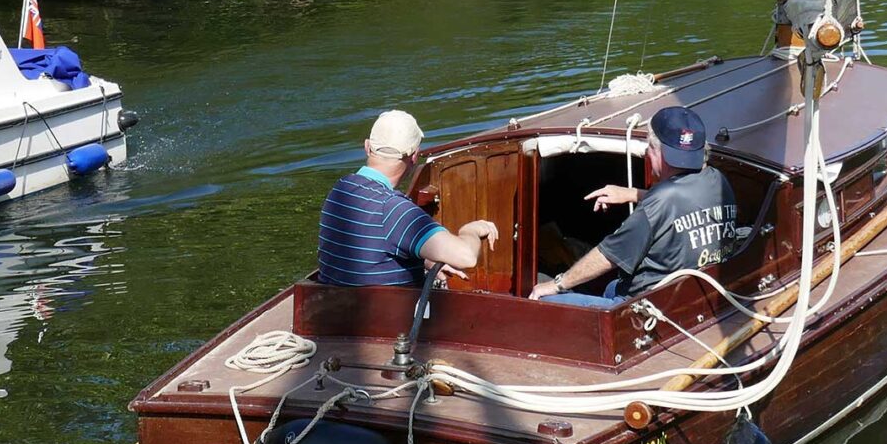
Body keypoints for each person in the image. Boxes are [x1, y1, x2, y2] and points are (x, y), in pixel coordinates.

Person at [529, 105, 739, 302]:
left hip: (646, 306)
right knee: (611, 286)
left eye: (651, 148)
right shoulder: (718, 181)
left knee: (546, 298)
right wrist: (632, 194)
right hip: (695, 292)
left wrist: (557, 284)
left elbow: (608, 255)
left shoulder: (659, 202)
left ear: (658, 153)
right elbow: (680, 203)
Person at [316, 110, 499, 288]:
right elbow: (466, 257)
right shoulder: (394, 209)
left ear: (367, 147)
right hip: (388, 317)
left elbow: (371, 249)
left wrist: (425, 259)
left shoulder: (341, 190)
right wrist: (471, 231)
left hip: (336, 311)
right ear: (414, 156)